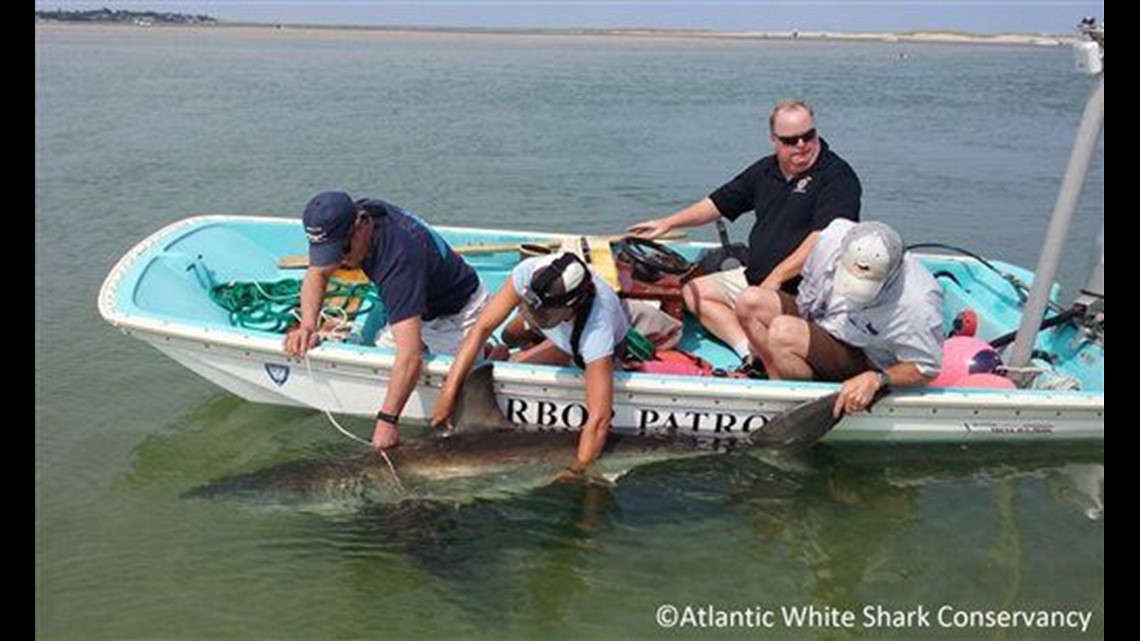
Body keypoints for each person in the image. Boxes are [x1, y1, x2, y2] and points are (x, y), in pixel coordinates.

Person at [629, 99, 861, 373]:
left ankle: (774, 366)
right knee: (693, 292)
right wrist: (667, 223)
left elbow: (823, 239)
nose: (801, 145)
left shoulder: (837, 176)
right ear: (774, 140)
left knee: (750, 300)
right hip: (756, 279)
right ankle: (750, 353)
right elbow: (718, 203)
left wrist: (776, 277)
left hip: (805, 293)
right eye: (790, 140)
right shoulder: (766, 170)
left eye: (808, 136)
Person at [283, 191, 488, 450]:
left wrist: (387, 422)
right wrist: (308, 325)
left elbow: (410, 357)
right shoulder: (357, 215)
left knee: (456, 394)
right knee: (383, 362)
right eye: (328, 253)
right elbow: (317, 273)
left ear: (361, 226)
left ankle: (486, 350)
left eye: (342, 250)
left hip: (458, 314)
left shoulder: (399, 258)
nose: (339, 261)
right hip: (416, 305)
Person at [431, 252, 630, 479]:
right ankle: (524, 343)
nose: (538, 315)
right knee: (508, 335)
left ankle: (538, 349)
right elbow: (481, 328)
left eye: (545, 315)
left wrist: (577, 469)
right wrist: (448, 393)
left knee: (526, 360)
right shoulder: (530, 271)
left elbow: (600, 419)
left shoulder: (597, 332)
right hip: (556, 328)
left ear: (572, 305)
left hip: (579, 348)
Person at [733, 219, 944, 417]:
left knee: (783, 332)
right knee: (750, 301)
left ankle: (801, 406)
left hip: (863, 355)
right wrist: (777, 278)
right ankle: (777, 381)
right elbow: (808, 284)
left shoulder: (917, 303)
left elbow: (926, 368)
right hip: (823, 319)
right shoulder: (833, 237)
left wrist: (878, 379)